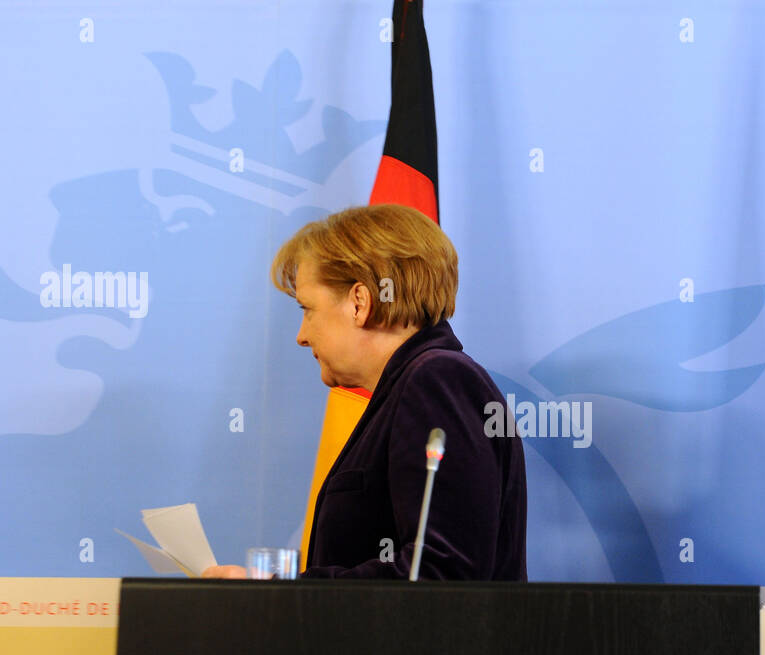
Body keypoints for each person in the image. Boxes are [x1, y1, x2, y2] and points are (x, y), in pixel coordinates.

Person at [203, 203, 527, 580]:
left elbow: (442, 575)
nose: (301, 336)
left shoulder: (436, 379)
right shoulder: (419, 382)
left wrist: (277, 597)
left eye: (307, 309)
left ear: (359, 303)